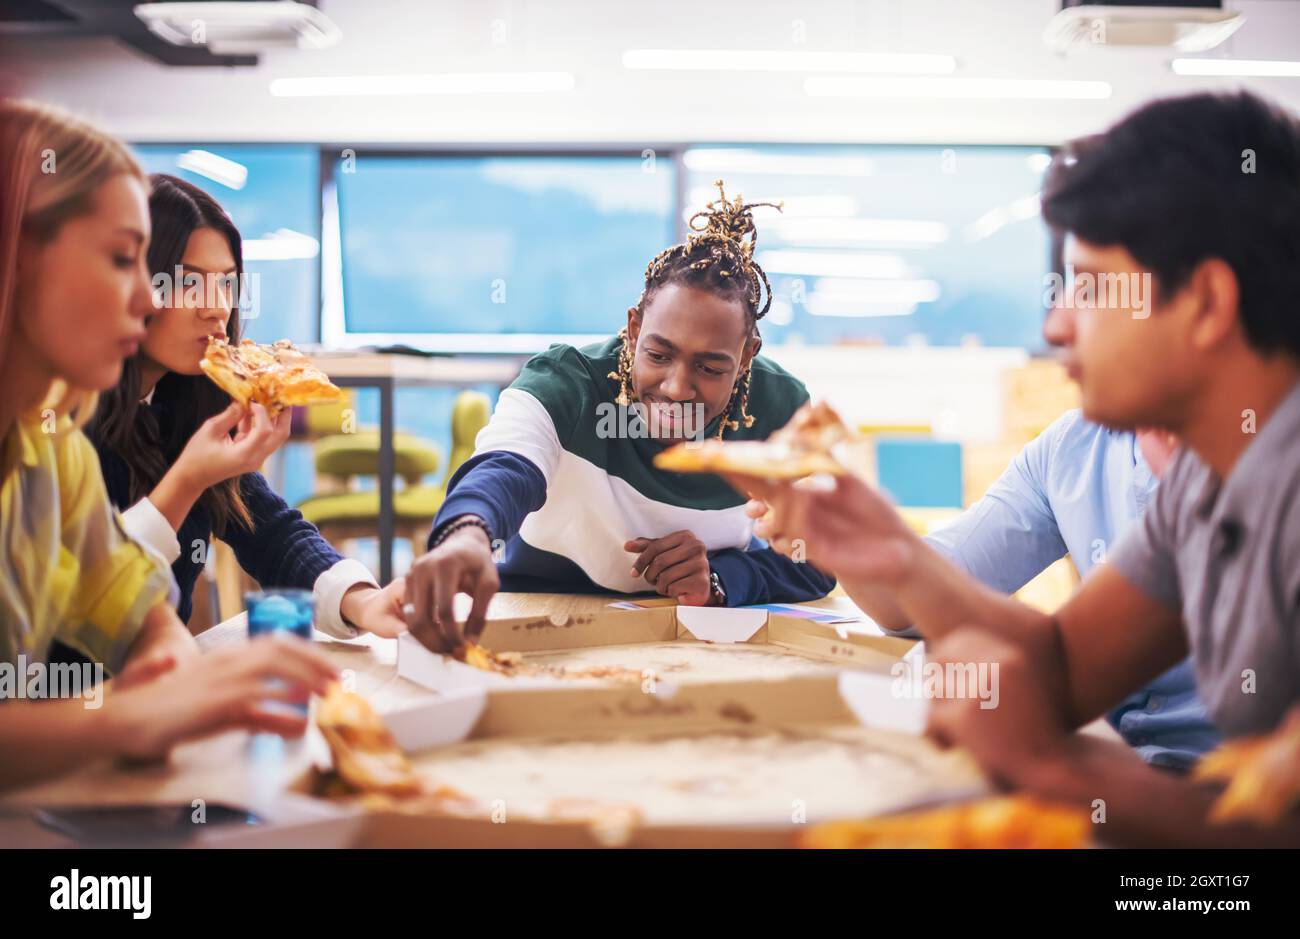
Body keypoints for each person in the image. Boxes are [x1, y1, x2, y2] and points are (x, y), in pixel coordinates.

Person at [733, 92, 1300, 845]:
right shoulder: (1205, 480)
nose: (1055, 323)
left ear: (1205, 303)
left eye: (1093, 287)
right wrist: (895, 553)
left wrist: (1061, 768)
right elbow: (1065, 664)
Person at [0, 100, 336, 790]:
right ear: (17, 256)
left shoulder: (49, 435)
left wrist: (170, 664)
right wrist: (136, 713)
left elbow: (123, 591)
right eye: (127, 261)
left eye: (224, 284)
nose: (145, 298)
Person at [404, 182, 836, 652]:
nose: (676, 387)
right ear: (634, 330)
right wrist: (467, 532)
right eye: (658, 353)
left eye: (711, 368)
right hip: (542, 616)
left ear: (747, 356)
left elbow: (820, 559)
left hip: (688, 633)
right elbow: (505, 467)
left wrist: (720, 578)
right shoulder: (567, 381)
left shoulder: (780, 408)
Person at [85, 174, 406, 640]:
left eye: (228, 283)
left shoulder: (185, 406)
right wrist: (187, 480)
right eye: (188, 282)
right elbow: (79, 618)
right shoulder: (60, 421)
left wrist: (366, 601)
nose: (216, 307)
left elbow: (271, 532)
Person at [834, 413, 1219, 771]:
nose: (1053, 335)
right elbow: (1058, 652)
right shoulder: (1075, 443)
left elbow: (1062, 664)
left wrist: (1036, 758)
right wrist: (850, 542)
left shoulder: (1258, 463)